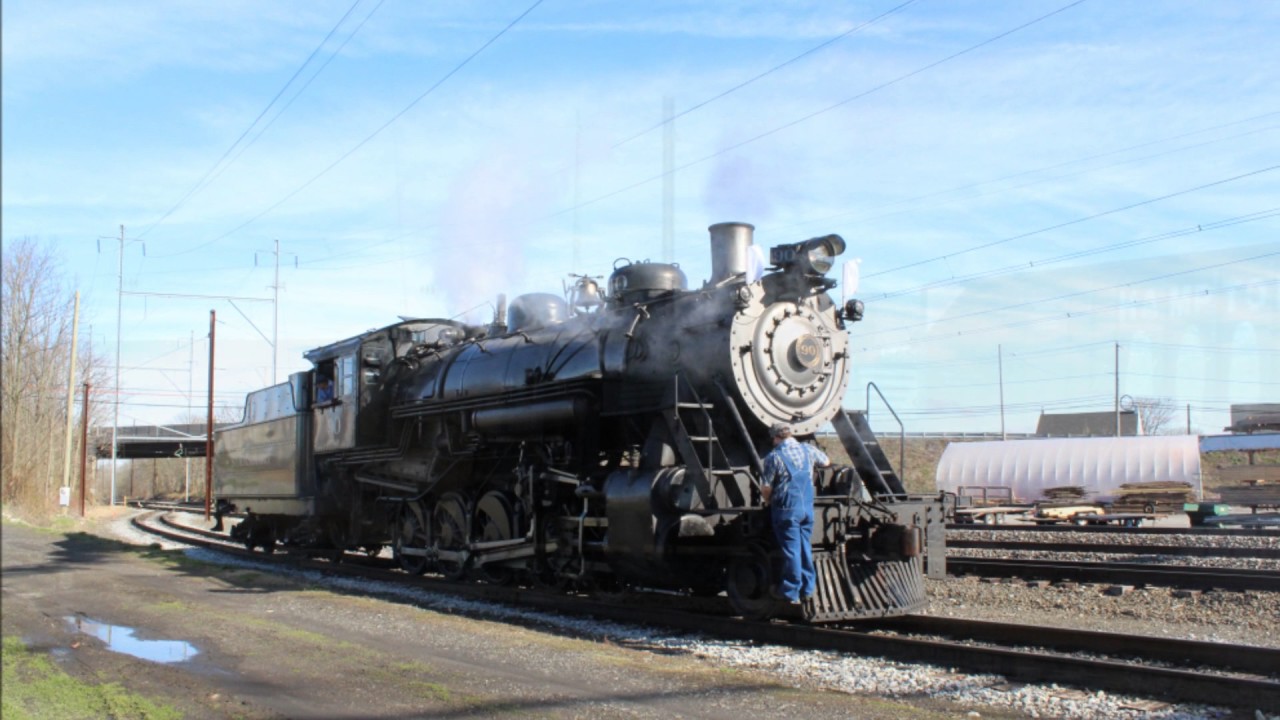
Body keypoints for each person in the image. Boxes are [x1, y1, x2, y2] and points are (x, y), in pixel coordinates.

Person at [760, 422, 830, 604]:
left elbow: (766, 486)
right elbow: (826, 462)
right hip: (807, 508)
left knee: (791, 550)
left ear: (776, 438)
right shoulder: (807, 449)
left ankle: (791, 591)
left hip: (786, 509)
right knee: (805, 547)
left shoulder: (773, 457)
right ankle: (808, 588)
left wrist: (767, 500)